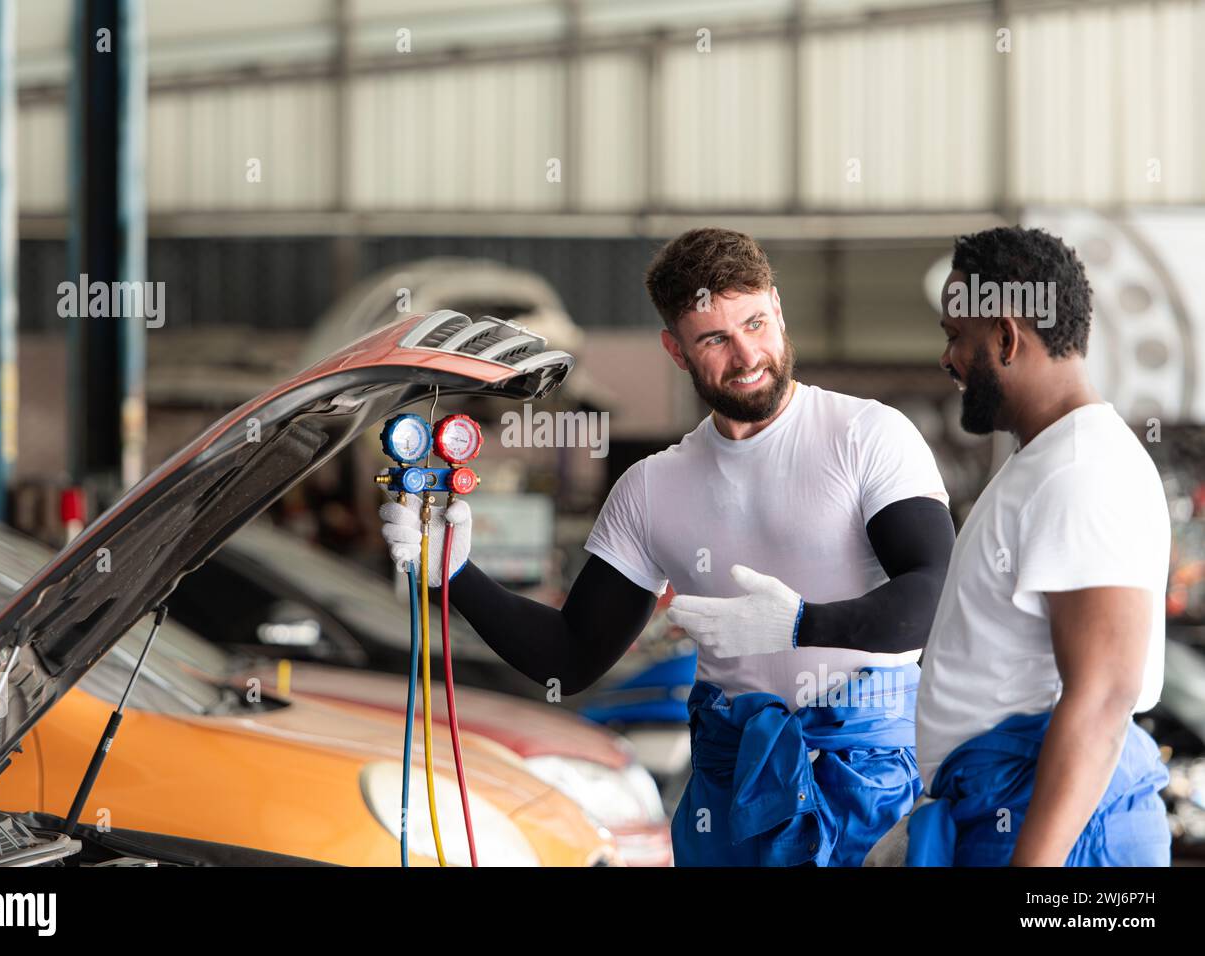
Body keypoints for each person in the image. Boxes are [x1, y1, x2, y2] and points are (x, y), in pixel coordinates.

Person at [381, 227, 954, 865]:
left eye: (757, 323)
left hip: (871, 791)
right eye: (715, 338)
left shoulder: (867, 436)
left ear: (779, 310)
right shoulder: (654, 488)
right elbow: (570, 658)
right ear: (675, 350)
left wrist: (798, 624)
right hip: (732, 801)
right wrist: (455, 574)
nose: (747, 356)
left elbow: (932, 591)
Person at [891, 226, 1171, 866]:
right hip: (1008, 815)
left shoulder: (1082, 470)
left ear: (1007, 338)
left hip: (1060, 834)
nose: (948, 358)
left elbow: (1104, 695)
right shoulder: (1046, 462)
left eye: (956, 336)